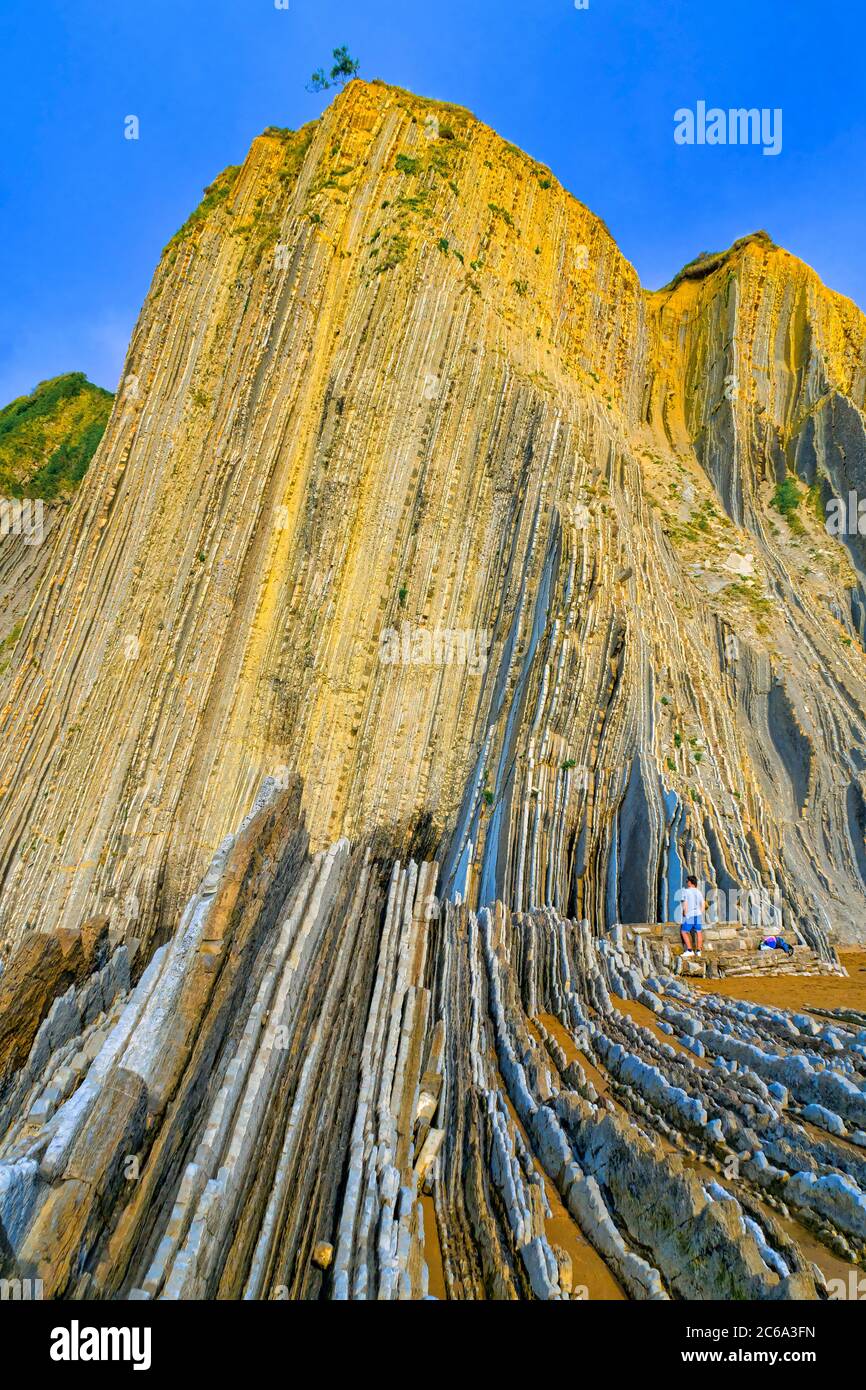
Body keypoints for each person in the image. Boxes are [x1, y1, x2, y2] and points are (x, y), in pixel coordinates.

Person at [680, 875, 705, 957]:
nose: (687, 883)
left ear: (690, 882)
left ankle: (690, 950)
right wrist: (700, 912)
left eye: (687, 881)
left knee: (684, 931)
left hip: (690, 915)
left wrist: (684, 913)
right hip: (698, 914)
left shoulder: (686, 891)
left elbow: (685, 903)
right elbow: (703, 904)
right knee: (698, 932)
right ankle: (698, 951)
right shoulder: (699, 892)